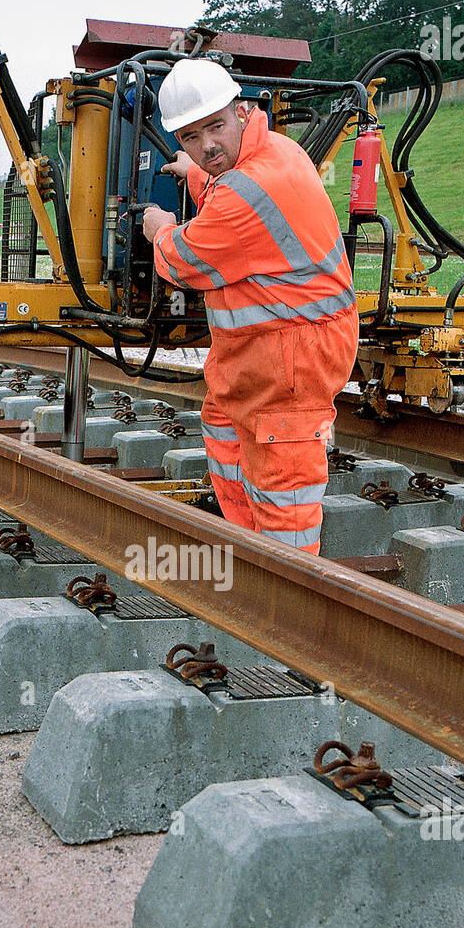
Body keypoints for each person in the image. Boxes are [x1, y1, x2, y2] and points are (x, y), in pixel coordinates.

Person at [141, 58, 359, 555]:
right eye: (191, 138)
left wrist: (159, 227)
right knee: (223, 422)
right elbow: (227, 184)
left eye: (215, 127)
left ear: (240, 111)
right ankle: (249, 541)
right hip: (266, 345)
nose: (207, 146)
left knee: (285, 473)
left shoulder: (243, 193)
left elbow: (184, 260)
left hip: (294, 351)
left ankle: (288, 576)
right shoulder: (273, 148)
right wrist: (194, 172)